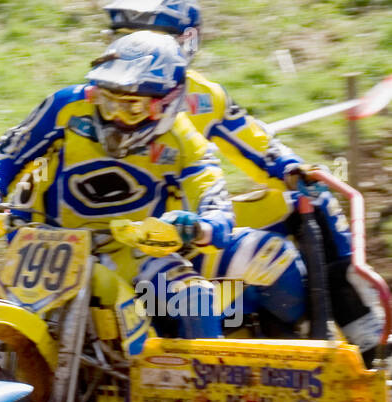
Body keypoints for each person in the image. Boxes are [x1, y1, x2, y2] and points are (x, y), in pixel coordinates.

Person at [103, 0, 384, 359]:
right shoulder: (95, 100)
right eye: (124, 38)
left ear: (184, 43)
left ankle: (347, 330)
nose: (135, 52)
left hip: (195, 222)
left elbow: (259, 144)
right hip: (129, 231)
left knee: (313, 198)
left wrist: (291, 168)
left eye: (147, 38)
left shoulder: (205, 97)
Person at [0, 31, 249, 338]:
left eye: (132, 107)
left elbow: (217, 204)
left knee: (198, 301)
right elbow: (8, 151)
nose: (115, 117)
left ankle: (201, 384)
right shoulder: (66, 106)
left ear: (166, 105)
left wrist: (199, 227)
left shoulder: (185, 142)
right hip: (51, 245)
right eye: (106, 101)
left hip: (132, 251)